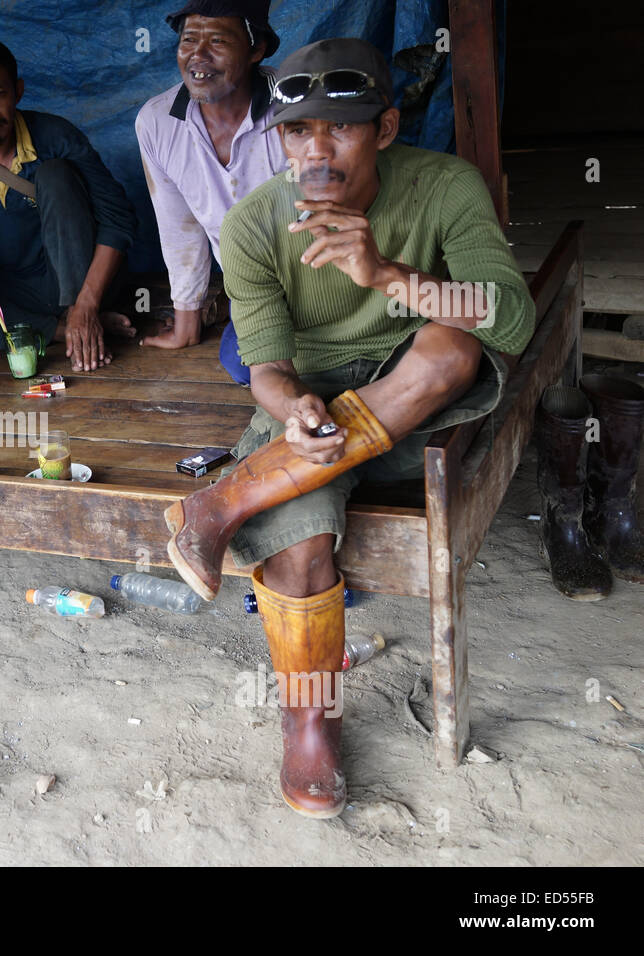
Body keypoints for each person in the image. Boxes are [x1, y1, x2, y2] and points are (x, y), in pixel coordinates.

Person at [163, 38, 535, 817]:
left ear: (388, 129)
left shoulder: (444, 186)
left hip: (419, 396)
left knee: (453, 348)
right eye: (299, 132)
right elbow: (264, 368)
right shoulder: (254, 226)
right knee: (301, 542)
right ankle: (310, 719)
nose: (318, 149)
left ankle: (220, 502)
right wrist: (292, 409)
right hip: (319, 411)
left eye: (343, 127)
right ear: (280, 140)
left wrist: (387, 276)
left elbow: (511, 315)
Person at [0, 36, 139, 372]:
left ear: (18, 91)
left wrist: (87, 303)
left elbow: (118, 221)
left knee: (55, 175)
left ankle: (79, 316)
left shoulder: (57, 137)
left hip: (84, 281)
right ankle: (64, 331)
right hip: (15, 293)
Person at [135, 0, 287, 384]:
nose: (197, 56)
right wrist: (186, 321)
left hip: (321, 280)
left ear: (256, 50)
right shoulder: (158, 122)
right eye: (188, 40)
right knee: (243, 367)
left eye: (218, 40)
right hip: (253, 294)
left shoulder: (293, 106)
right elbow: (178, 228)